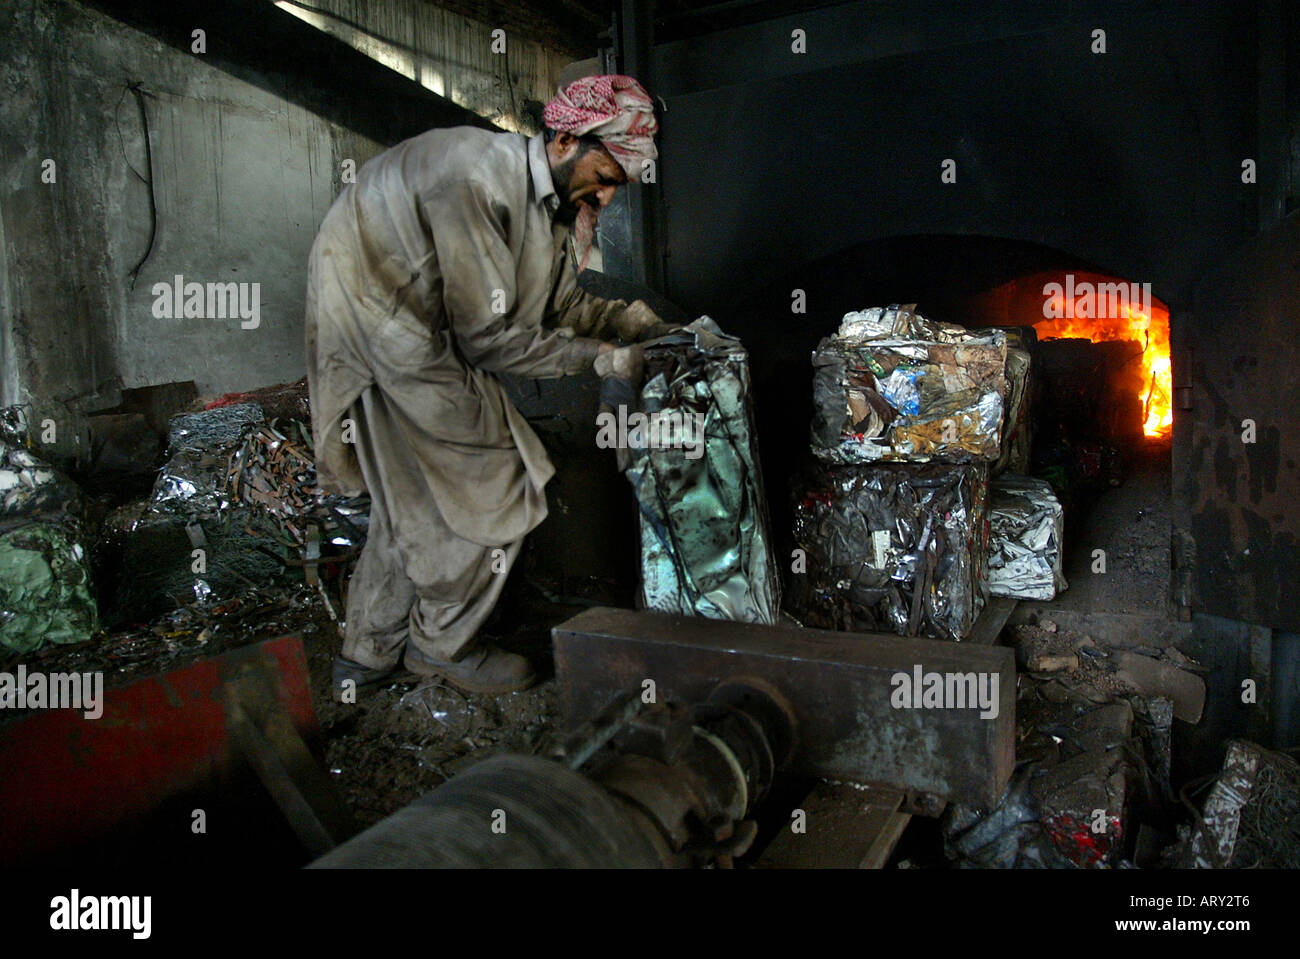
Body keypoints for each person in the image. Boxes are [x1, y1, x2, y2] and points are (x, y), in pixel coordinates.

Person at [305, 75, 666, 700]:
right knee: (497, 483)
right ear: (564, 138)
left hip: (405, 321)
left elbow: (553, 305)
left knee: (410, 497)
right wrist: (599, 358)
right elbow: (489, 339)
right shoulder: (479, 181)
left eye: (618, 187)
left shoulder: (545, 205)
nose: (607, 198)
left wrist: (624, 320)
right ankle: (440, 649)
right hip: (385, 320)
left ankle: (365, 654)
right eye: (606, 176)